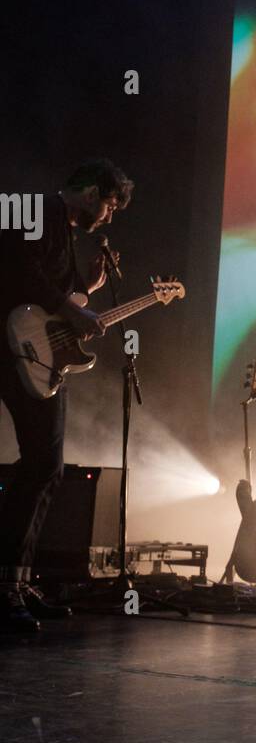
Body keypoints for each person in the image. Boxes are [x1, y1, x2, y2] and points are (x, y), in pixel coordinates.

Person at [0, 160, 134, 629]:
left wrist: (85, 288)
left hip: (34, 355)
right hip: (15, 350)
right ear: (91, 193)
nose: (108, 217)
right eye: (110, 205)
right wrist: (71, 309)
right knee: (43, 465)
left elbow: (45, 290)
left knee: (44, 466)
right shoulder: (36, 209)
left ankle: (17, 581)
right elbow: (17, 269)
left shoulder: (61, 226)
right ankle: (8, 587)